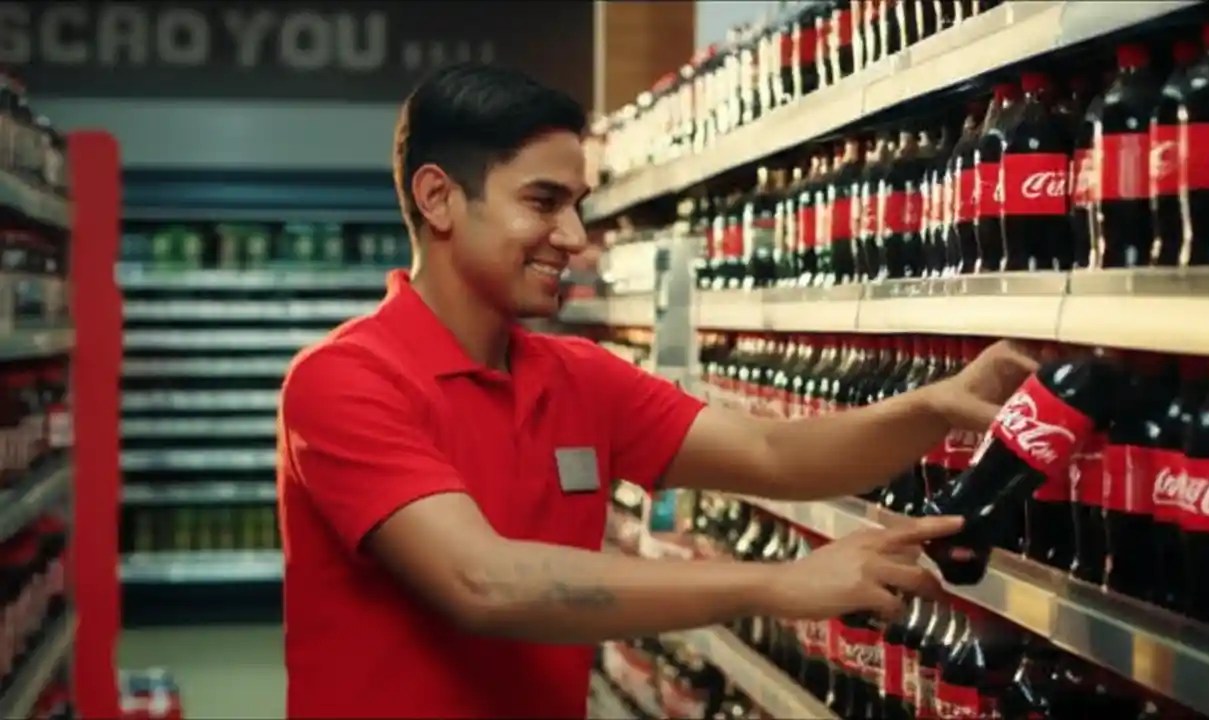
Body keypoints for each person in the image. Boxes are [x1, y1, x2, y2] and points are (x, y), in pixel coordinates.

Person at [277, 62, 1038, 719]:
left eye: (578, 204)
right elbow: (483, 581)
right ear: (439, 199)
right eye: (543, 203)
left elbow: (773, 454)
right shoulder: (344, 381)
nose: (574, 237)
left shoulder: (576, 377)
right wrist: (775, 584)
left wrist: (936, 403)